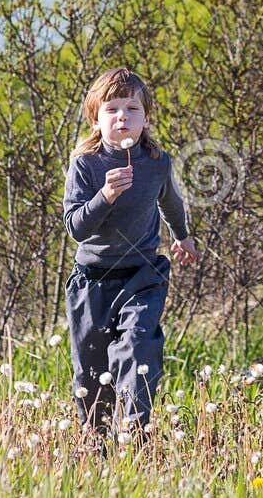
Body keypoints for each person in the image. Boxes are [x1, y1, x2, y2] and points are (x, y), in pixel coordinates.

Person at [62, 67, 199, 442]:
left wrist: (182, 236)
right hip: (93, 281)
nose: (122, 117)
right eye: (111, 109)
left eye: (131, 108)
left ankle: (137, 435)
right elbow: (76, 227)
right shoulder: (86, 165)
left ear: (146, 118)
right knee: (91, 375)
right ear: (96, 120)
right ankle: (96, 446)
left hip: (143, 275)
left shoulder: (157, 162)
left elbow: (171, 203)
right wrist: (104, 197)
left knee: (138, 347)